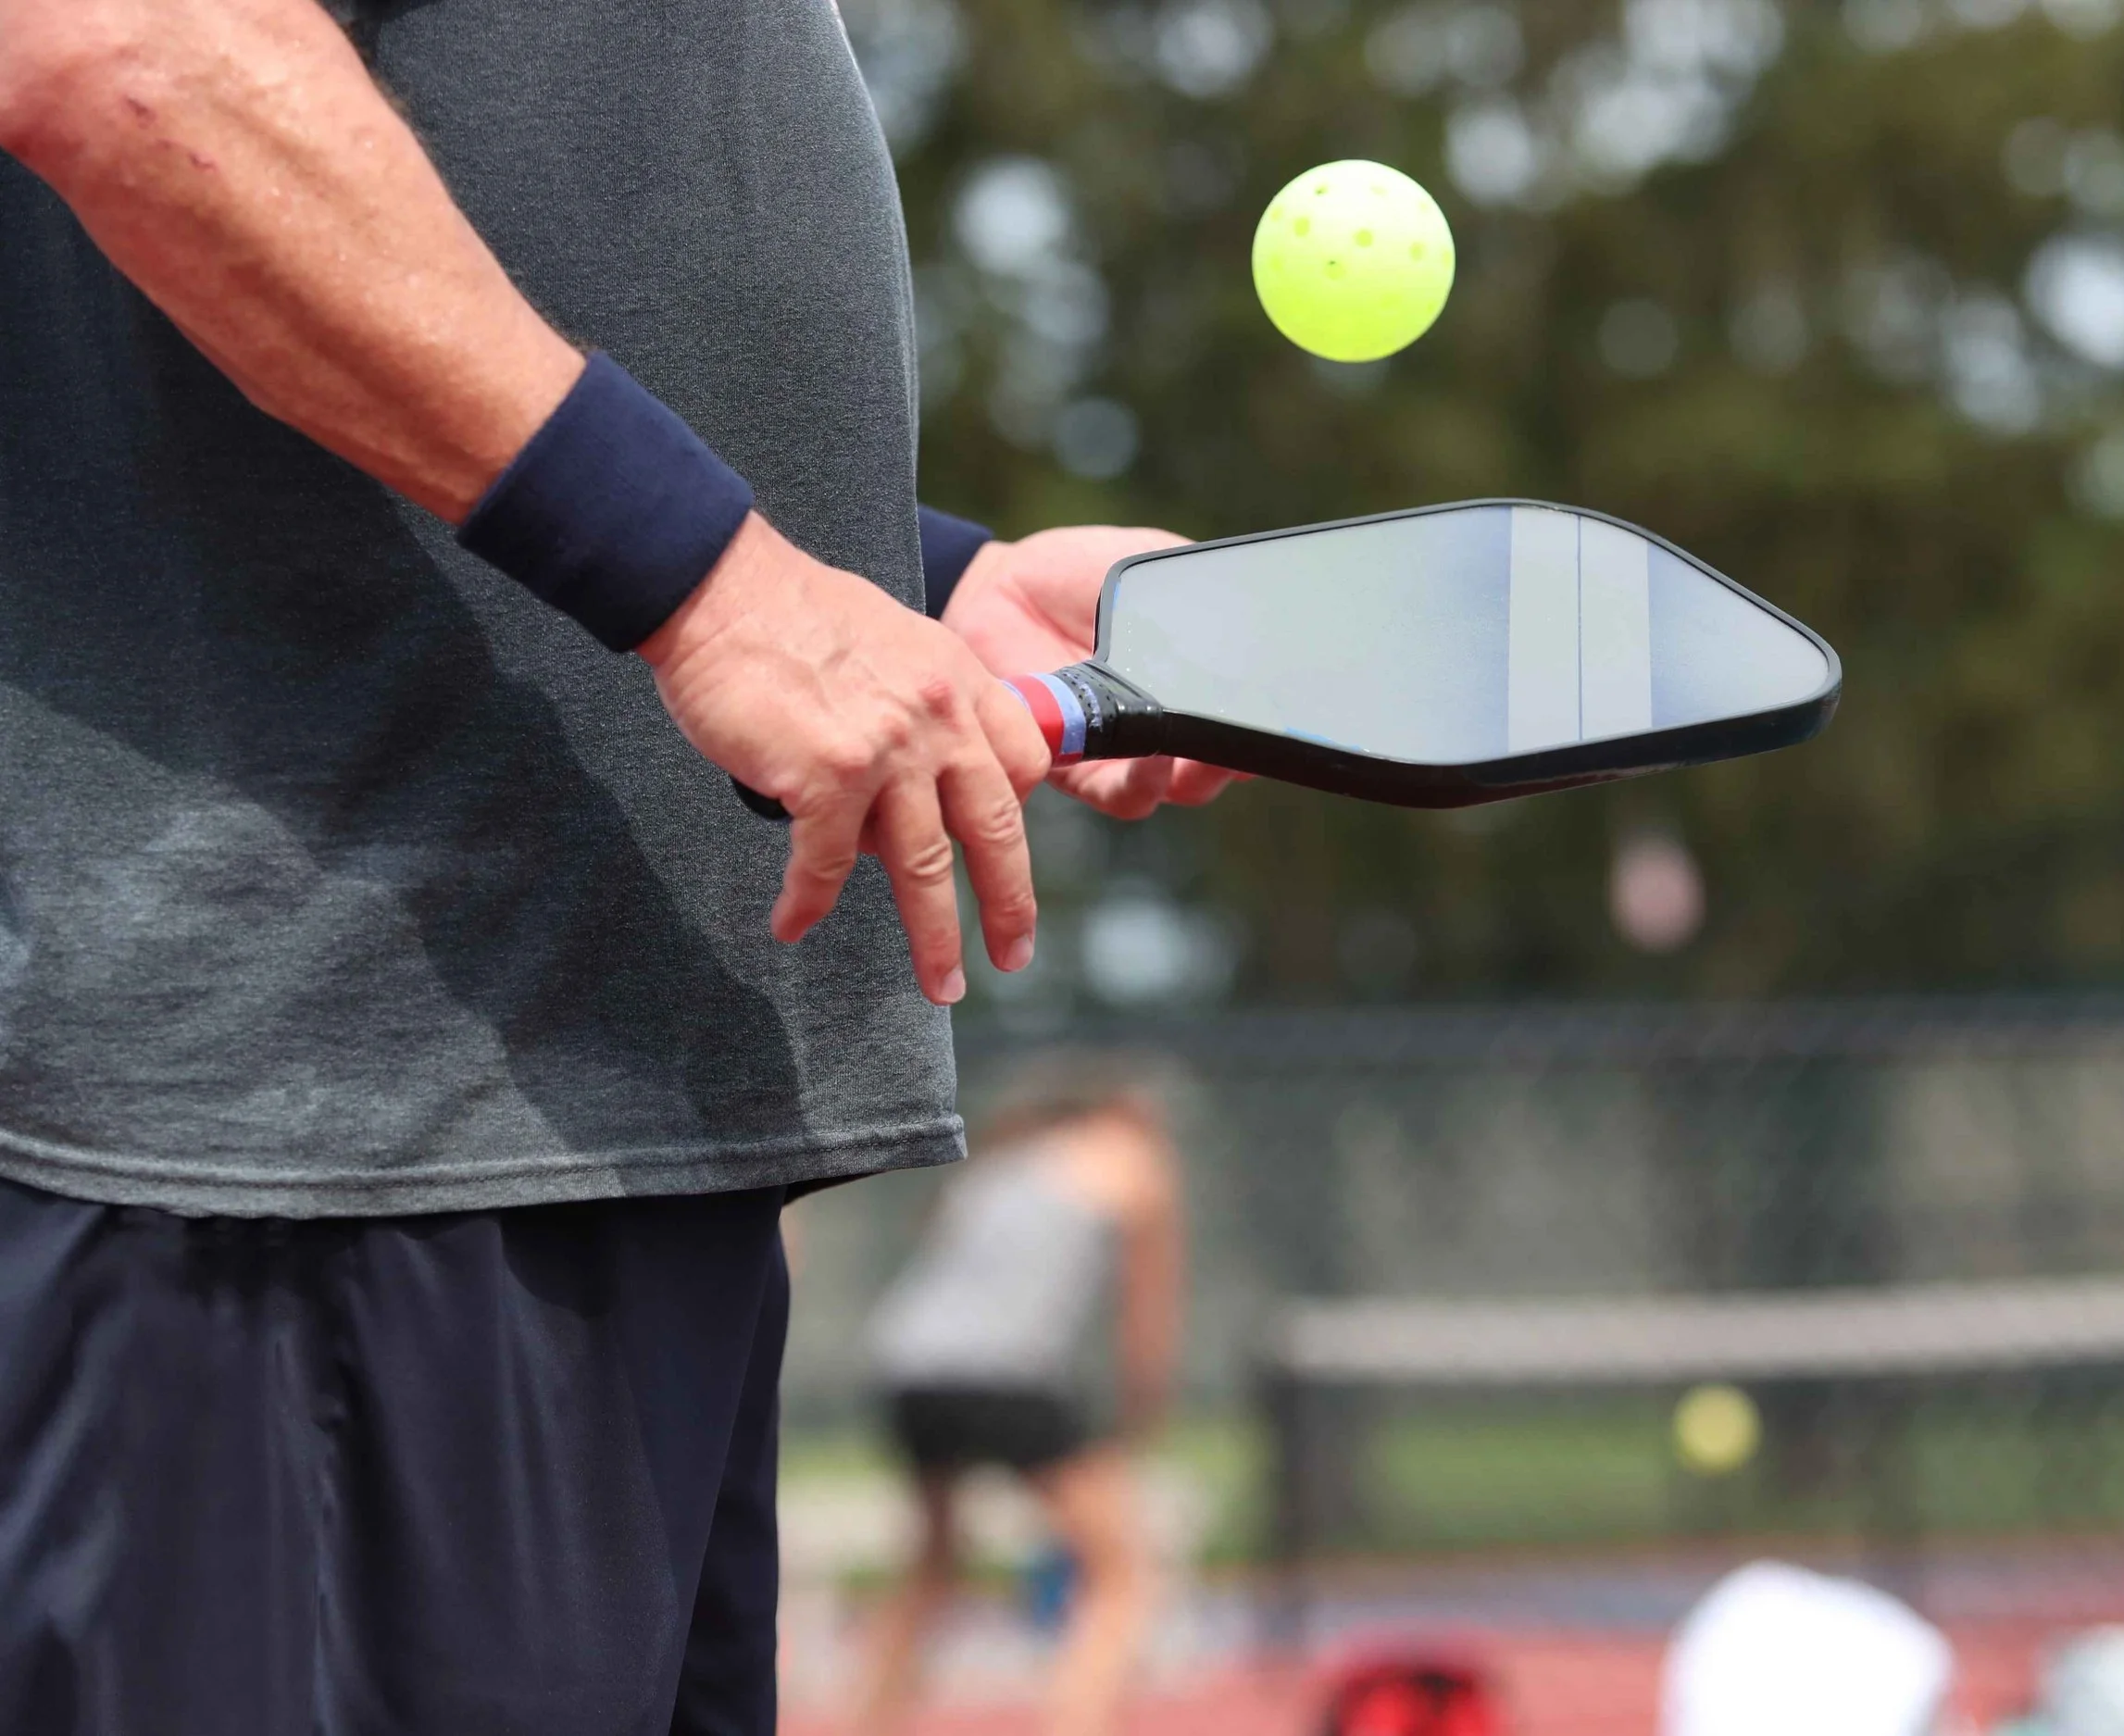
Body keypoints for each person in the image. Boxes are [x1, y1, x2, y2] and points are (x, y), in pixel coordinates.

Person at [0, 3, 1230, 1730]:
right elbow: (130, 47)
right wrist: (712, 587)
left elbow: (524, 249)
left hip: (587, 1117)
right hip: (318, 1140)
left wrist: (907, 581)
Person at [855, 1063, 1185, 1736]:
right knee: (1122, 1573)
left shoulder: (1007, 1158)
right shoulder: (1134, 1162)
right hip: (1005, 1373)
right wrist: (1140, 1415)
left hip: (907, 1366)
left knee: (932, 1568)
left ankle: (867, 1722)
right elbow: (1146, 1321)